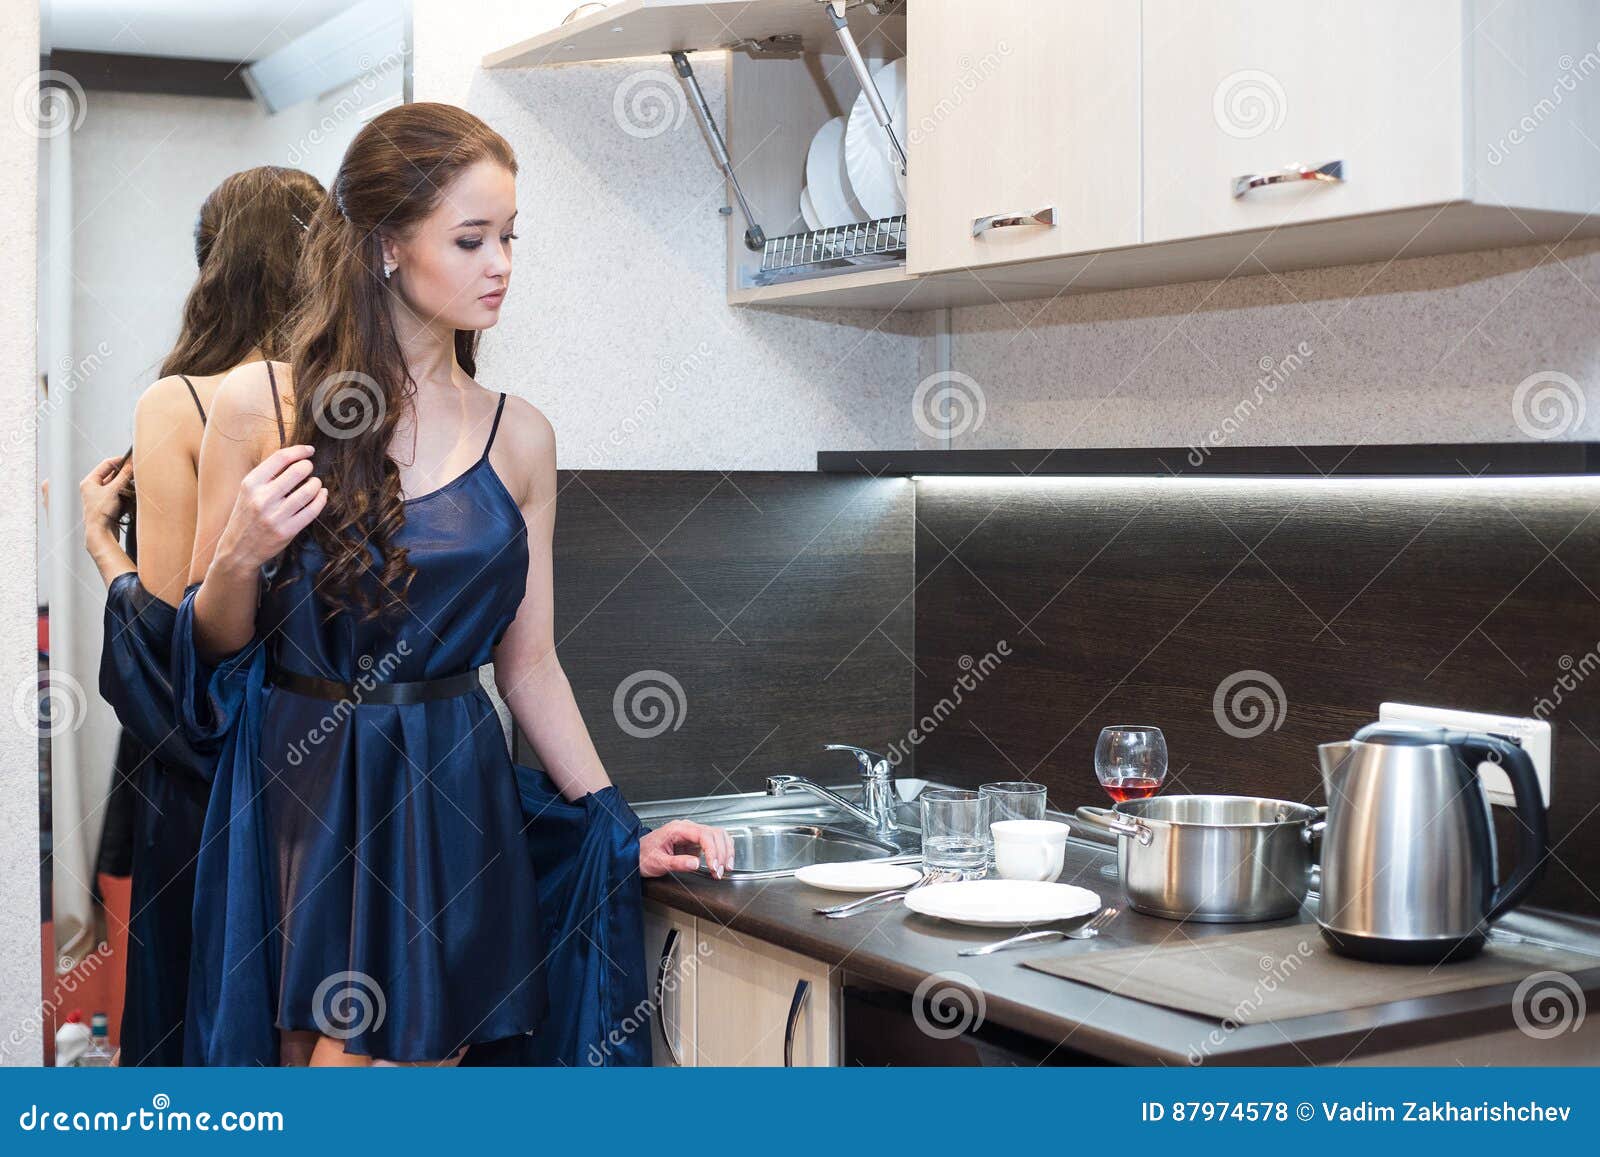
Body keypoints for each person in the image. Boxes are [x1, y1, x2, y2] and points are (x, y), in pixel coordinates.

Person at [175, 102, 731, 1067]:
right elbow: (207, 650)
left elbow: (531, 669)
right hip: (302, 783)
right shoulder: (258, 404)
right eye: (471, 239)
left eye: (510, 236)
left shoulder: (520, 436)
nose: (501, 263)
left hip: (452, 797)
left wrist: (611, 822)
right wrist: (238, 552)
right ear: (388, 245)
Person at [79, 166, 326, 1067]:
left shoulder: (179, 402)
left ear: (211, 266)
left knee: (197, 1004)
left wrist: (103, 544)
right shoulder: (352, 392)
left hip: (207, 764)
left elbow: (167, 631)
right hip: (324, 741)